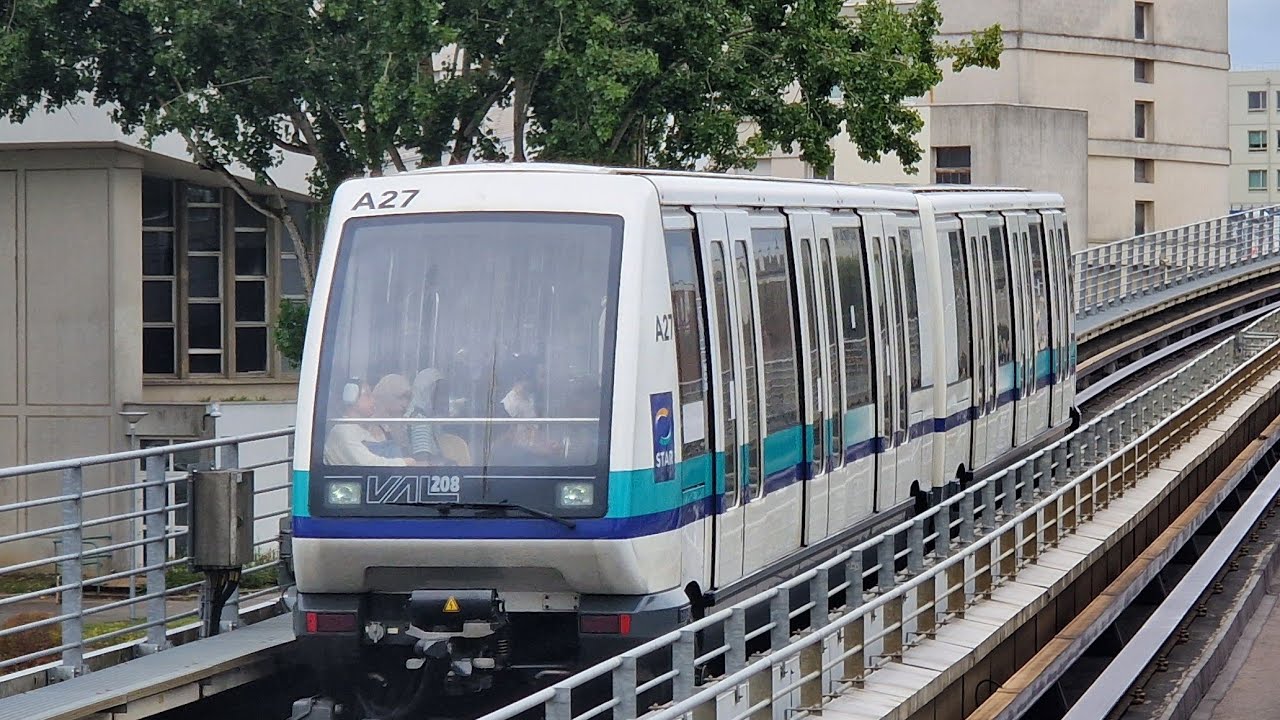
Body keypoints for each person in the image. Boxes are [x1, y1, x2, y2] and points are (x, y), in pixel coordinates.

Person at [323, 374, 413, 466]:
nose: (373, 401)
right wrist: (404, 462)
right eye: (367, 396)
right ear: (351, 398)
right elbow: (368, 463)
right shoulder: (342, 431)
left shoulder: (371, 429)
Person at [405, 368, 453, 465]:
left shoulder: (419, 416)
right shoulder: (420, 421)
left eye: (446, 394)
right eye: (440, 394)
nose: (445, 401)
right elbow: (422, 463)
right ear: (425, 392)